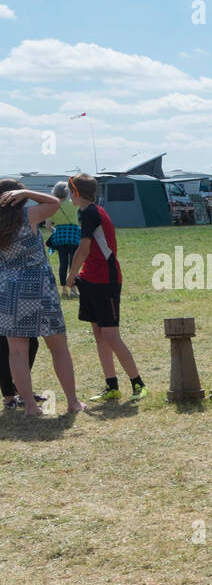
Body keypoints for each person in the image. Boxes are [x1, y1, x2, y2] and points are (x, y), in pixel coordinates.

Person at [0, 180, 85, 416]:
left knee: (16, 352)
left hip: (8, 292)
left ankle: (30, 406)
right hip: (39, 290)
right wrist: (26, 191)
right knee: (58, 348)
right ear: (16, 197)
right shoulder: (29, 215)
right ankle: (72, 402)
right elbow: (55, 203)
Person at [65, 174, 146, 401]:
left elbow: (83, 249)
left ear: (76, 192)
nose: (69, 195)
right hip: (90, 279)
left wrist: (70, 276)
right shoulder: (88, 212)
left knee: (111, 336)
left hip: (105, 281)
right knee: (100, 336)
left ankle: (138, 384)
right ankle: (112, 386)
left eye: (70, 191)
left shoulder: (92, 213)